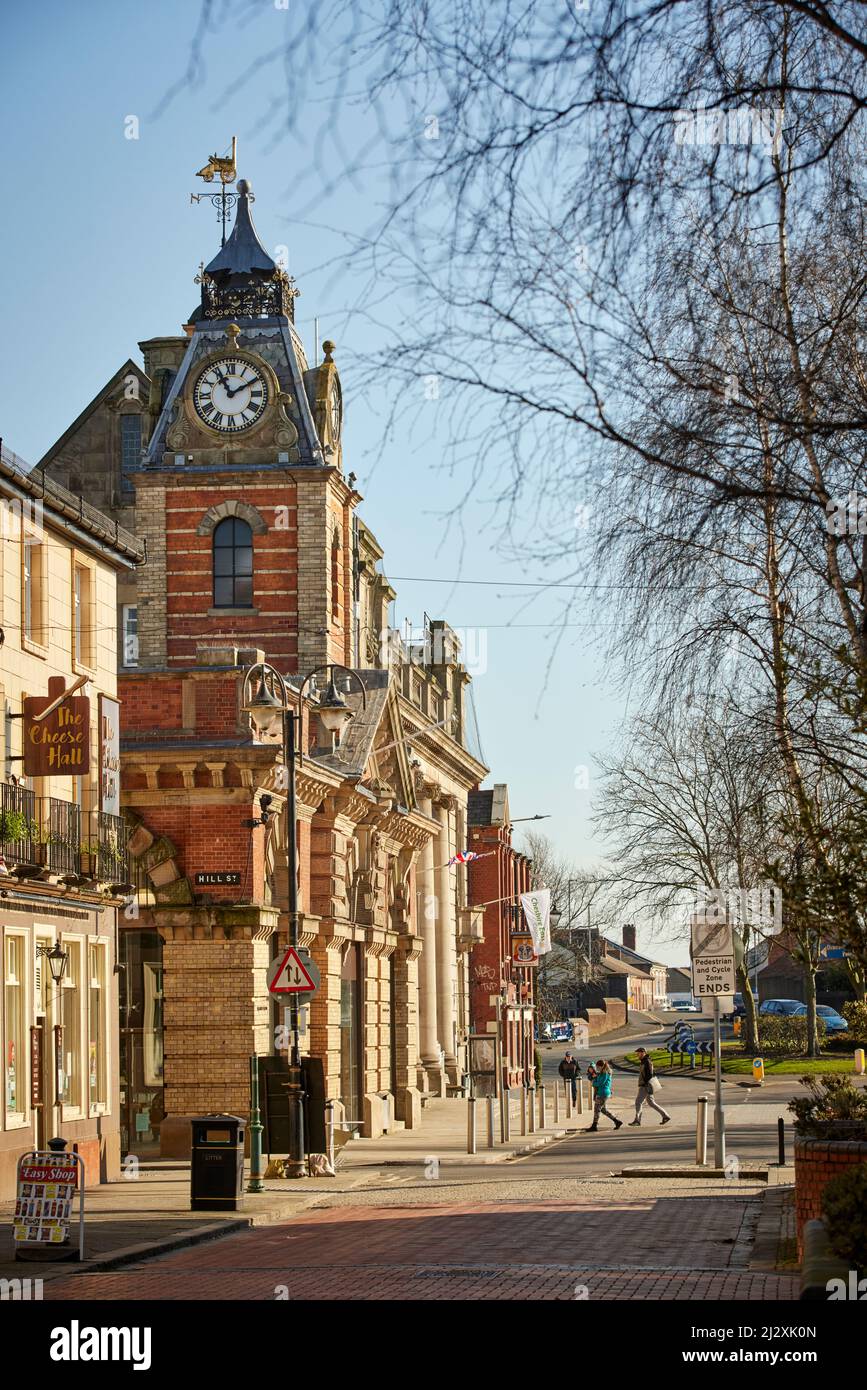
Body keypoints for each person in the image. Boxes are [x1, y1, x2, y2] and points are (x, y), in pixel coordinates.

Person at [630, 1046, 672, 1126]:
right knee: (651, 1102)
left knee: (638, 1102)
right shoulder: (644, 1061)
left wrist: (646, 1084)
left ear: (643, 1053)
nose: (637, 1055)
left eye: (638, 1053)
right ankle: (665, 1116)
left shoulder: (647, 1062)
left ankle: (637, 1120)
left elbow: (650, 1074)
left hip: (645, 1086)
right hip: (646, 1085)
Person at [588, 1059, 623, 1131]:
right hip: (602, 1092)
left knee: (597, 1109)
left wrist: (594, 1081)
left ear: (601, 1066)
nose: (597, 1068)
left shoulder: (605, 1074)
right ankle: (617, 1121)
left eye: (598, 1067)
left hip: (603, 1093)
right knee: (603, 1110)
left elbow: (600, 1083)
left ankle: (594, 1126)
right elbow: (598, 1081)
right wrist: (595, 1079)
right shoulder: (602, 1073)